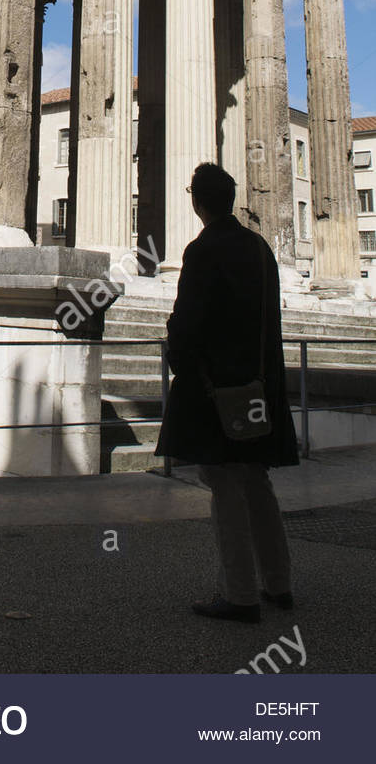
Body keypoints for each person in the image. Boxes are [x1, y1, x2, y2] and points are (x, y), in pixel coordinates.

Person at [155, 162, 299, 623]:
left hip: (216, 390)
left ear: (196, 200)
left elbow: (188, 323)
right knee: (257, 482)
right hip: (259, 387)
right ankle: (279, 584)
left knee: (226, 489)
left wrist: (180, 355)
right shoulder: (259, 248)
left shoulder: (203, 250)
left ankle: (239, 595)